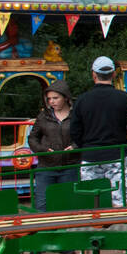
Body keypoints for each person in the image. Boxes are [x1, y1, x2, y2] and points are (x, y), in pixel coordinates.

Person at [69, 56, 127, 208]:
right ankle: (123, 228)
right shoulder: (125, 99)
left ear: (93, 74)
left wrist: (85, 146)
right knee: (121, 202)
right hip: (117, 155)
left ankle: (94, 229)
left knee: (91, 202)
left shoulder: (82, 100)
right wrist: (126, 145)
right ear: (113, 74)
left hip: (90, 155)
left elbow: (74, 130)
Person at [27, 79, 78, 211]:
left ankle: (66, 230)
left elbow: (84, 136)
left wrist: (75, 147)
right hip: (46, 166)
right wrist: (41, 150)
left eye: (55, 98)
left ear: (66, 97)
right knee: (42, 204)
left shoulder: (76, 116)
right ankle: (42, 230)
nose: (52, 102)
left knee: (68, 204)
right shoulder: (44, 116)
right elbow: (33, 138)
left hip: (70, 166)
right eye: (49, 99)